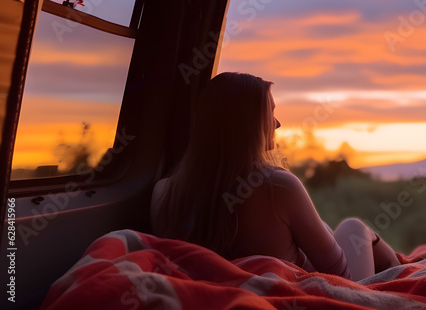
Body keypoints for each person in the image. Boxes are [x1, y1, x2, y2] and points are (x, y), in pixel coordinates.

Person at [149, 72, 400, 280]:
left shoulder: (164, 191)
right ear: (249, 124)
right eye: (270, 112)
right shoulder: (277, 186)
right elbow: (340, 276)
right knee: (355, 228)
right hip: (307, 293)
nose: (277, 123)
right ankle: (393, 267)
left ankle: (393, 266)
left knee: (328, 229)